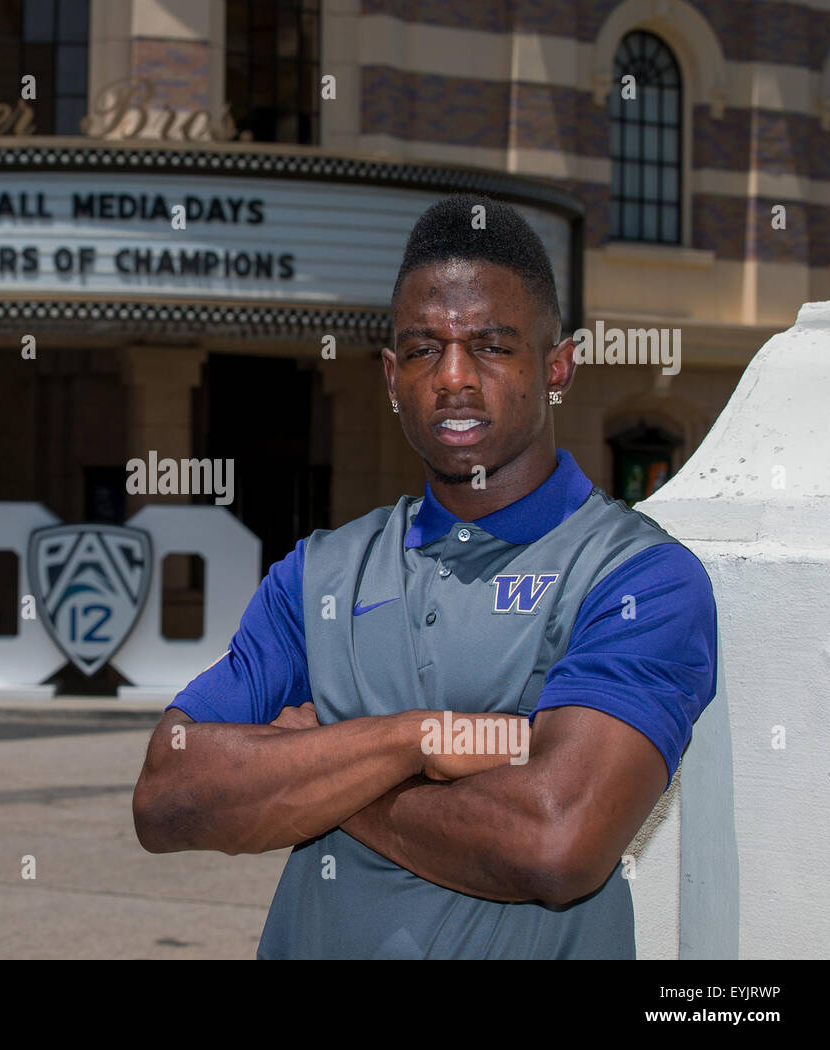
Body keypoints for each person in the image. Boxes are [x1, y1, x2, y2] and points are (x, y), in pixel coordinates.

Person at [131, 194, 719, 959]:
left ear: (557, 367)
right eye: (421, 350)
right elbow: (166, 798)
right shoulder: (319, 575)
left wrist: (324, 777)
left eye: (491, 346)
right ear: (389, 374)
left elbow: (557, 841)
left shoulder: (640, 578)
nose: (451, 377)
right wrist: (417, 740)